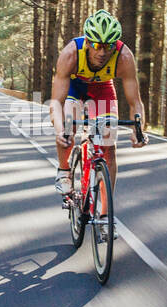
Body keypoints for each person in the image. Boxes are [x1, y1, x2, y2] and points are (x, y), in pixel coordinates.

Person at [48, 10, 148, 204]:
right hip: (75, 88)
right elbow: (56, 103)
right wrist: (60, 130)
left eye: (108, 46)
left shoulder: (124, 56)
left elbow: (135, 102)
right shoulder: (70, 54)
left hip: (102, 89)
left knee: (109, 146)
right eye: (96, 45)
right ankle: (64, 170)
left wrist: (139, 129)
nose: (102, 52)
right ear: (87, 42)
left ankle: (105, 212)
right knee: (68, 128)